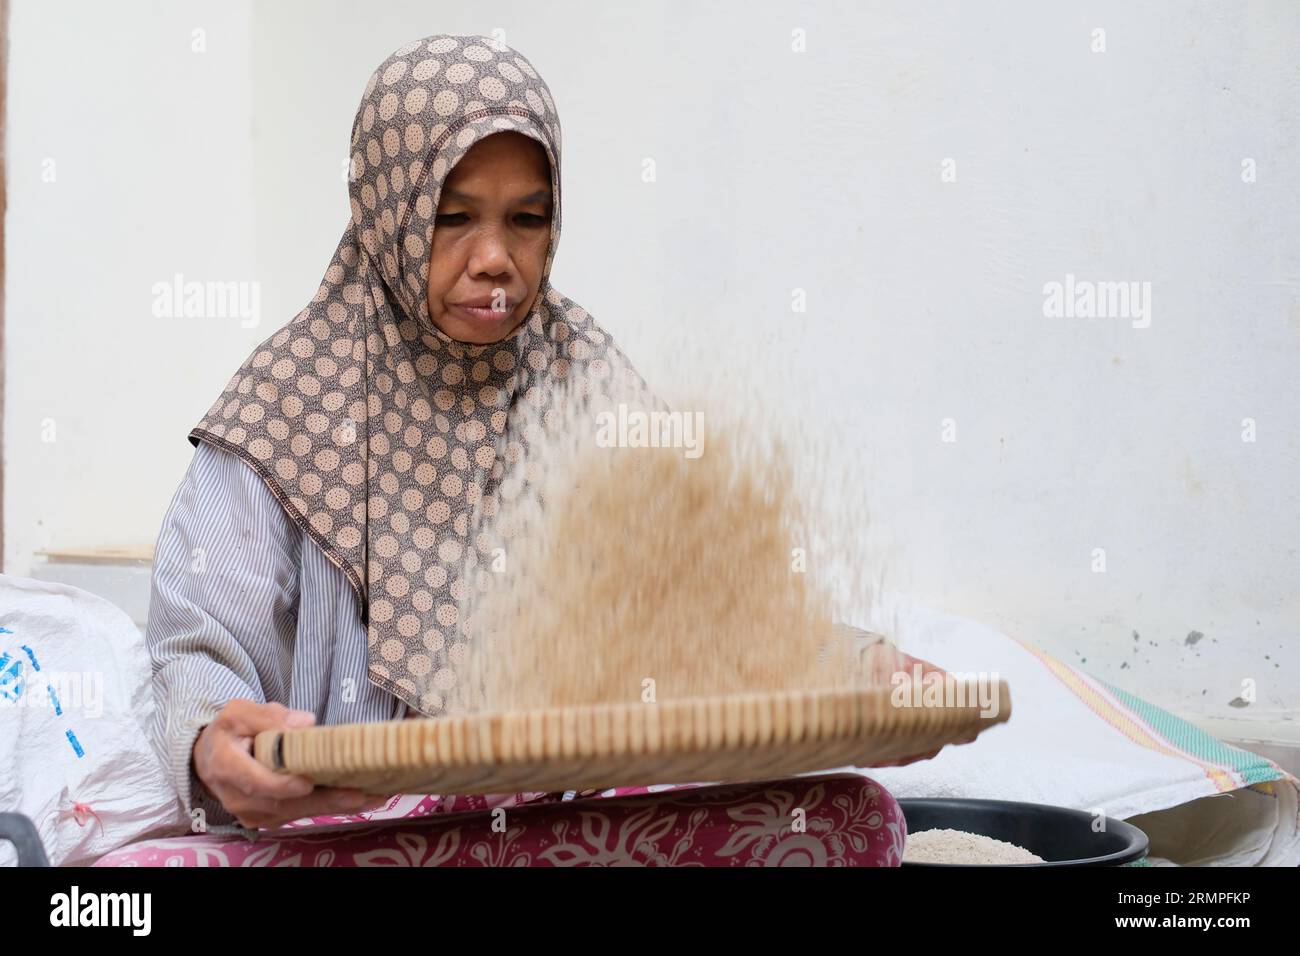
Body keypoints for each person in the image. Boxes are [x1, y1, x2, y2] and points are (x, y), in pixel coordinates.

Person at [146, 35, 928, 862]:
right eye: (452, 218)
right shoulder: (289, 398)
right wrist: (214, 744)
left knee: (855, 819)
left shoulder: (582, 377)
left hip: (553, 830)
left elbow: (712, 606)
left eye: (527, 218)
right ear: (386, 209)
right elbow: (199, 644)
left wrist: (856, 669)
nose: (496, 260)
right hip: (348, 834)